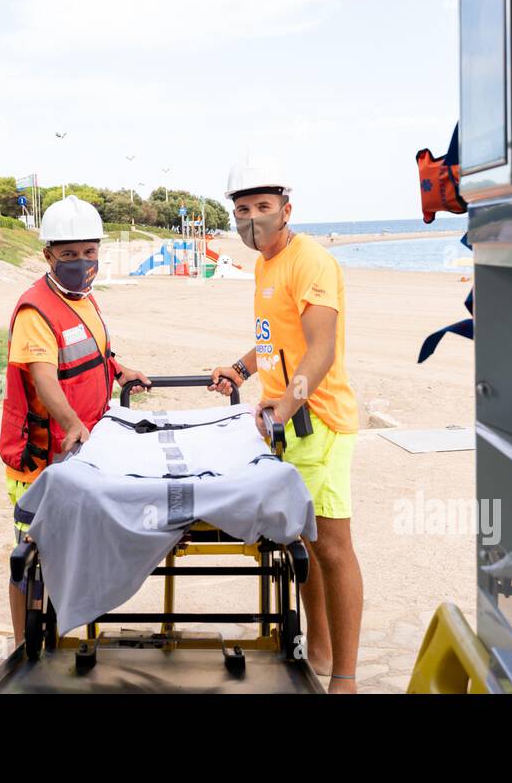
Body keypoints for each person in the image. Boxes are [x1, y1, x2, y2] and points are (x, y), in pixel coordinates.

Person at [208, 153, 364, 693]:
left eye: (263, 207)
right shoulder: (263, 264)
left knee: (332, 547)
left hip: (316, 421)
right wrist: (241, 368)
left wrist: (287, 404)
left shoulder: (311, 262)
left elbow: (320, 350)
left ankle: (343, 677)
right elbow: (273, 338)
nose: (253, 217)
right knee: (302, 539)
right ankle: (317, 647)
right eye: (243, 208)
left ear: (286, 209)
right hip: (283, 424)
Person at [0, 195, 150, 644]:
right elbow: (45, 381)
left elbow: (95, 352)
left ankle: (58, 636)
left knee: (68, 552)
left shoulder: (83, 298)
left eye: (89, 253)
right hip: (43, 459)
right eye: (68, 255)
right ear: (48, 256)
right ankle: (26, 648)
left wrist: (122, 371)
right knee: (31, 555)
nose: (81, 262)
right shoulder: (35, 309)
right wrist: (72, 423)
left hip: (81, 452)